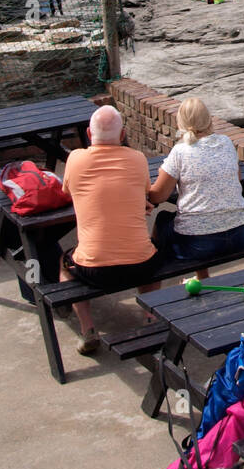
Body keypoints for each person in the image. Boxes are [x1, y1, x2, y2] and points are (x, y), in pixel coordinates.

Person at [60, 105, 168, 355]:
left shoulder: (75, 159)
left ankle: (87, 328)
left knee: (63, 264)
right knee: (151, 249)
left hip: (93, 269)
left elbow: (67, 191)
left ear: (88, 133)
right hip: (140, 266)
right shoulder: (138, 158)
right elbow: (143, 192)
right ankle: (149, 316)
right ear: (122, 136)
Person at [148, 99, 244, 265]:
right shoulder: (226, 142)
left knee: (162, 220)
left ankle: (156, 271)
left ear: (180, 122)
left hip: (199, 244)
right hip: (240, 235)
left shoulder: (180, 151)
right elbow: (236, 180)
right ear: (209, 119)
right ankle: (201, 278)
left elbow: (157, 196)